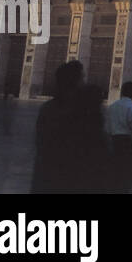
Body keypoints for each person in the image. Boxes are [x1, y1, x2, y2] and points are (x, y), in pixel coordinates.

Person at [32, 60, 84, 193]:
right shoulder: (80, 111)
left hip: (47, 174)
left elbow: (40, 144)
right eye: (81, 78)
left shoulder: (47, 108)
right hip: (66, 176)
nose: (83, 82)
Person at [106, 81, 132, 190]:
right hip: (126, 140)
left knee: (114, 168)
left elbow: (108, 125)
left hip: (113, 139)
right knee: (125, 170)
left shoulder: (113, 106)